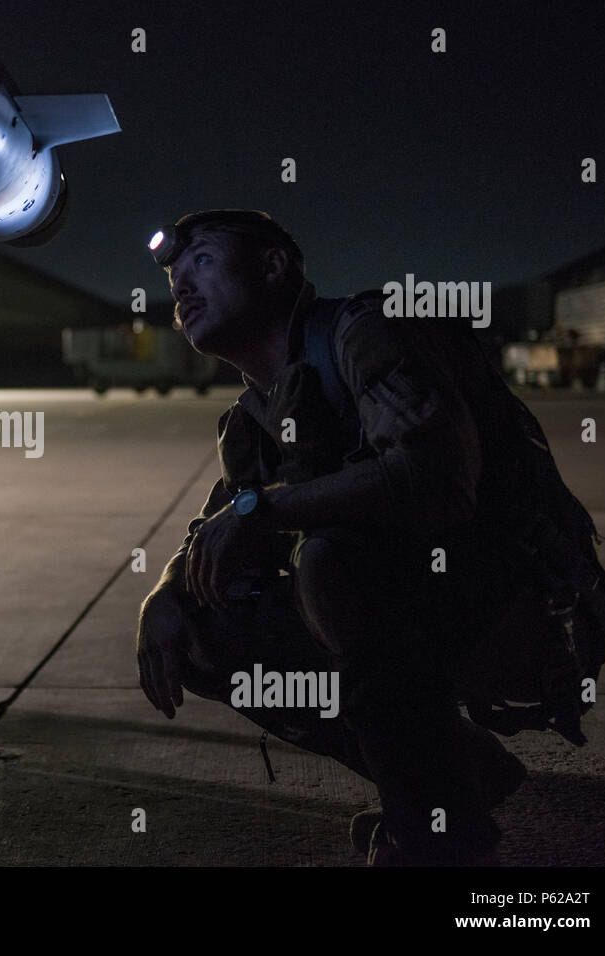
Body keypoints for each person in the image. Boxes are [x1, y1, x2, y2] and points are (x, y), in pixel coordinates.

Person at [135, 209, 535, 865]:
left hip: (502, 597)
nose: (181, 285)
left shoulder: (362, 332)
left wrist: (265, 511)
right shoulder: (255, 417)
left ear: (273, 267)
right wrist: (164, 596)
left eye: (202, 261)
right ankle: (455, 775)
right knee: (201, 630)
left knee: (330, 562)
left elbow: (437, 477)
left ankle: (442, 842)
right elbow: (216, 525)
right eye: (175, 277)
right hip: (396, 606)